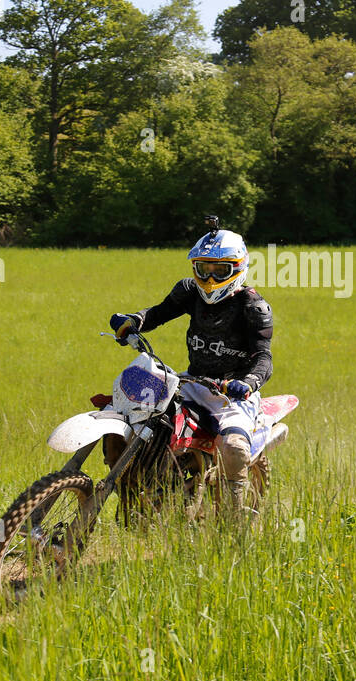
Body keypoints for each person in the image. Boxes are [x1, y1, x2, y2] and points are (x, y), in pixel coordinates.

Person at [109, 218, 274, 515]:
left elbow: (264, 357)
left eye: (219, 270)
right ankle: (139, 494)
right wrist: (134, 321)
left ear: (238, 268)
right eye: (204, 268)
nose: (210, 278)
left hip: (232, 395)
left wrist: (248, 382)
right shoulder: (189, 291)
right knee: (138, 418)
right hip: (192, 383)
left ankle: (233, 525)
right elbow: (158, 313)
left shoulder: (253, 306)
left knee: (235, 448)